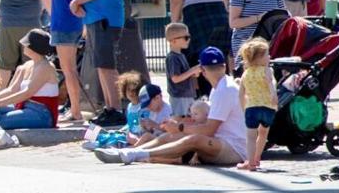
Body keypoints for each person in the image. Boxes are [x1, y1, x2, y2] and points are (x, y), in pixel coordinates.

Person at [94, 47, 246, 166]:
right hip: (224, 142)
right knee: (171, 136)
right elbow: (209, 125)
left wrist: (180, 127)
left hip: (234, 148)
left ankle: (136, 154)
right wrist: (179, 126)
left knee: (193, 139)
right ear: (224, 66)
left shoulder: (224, 89)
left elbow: (208, 130)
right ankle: (131, 152)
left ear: (202, 71)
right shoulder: (221, 86)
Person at [70, 0, 131, 125]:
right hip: (96, 17)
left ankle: (115, 108)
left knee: (107, 64)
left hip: (106, 17)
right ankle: (109, 107)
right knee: (101, 65)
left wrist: (78, 0)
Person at [40, 0, 89, 124]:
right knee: (70, 70)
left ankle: (76, 110)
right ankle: (74, 108)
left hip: (64, 26)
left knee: (69, 71)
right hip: (72, 25)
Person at [236, 39, 276, 171]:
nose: (269, 57)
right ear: (258, 58)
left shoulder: (245, 74)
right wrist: (274, 96)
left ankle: (250, 162)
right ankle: (257, 157)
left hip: (251, 108)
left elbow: (241, 94)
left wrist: (243, 108)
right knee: (263, 134)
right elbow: (271, 84)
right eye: (266, 55)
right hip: (268, 107)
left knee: (251, 136)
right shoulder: (267, 70)